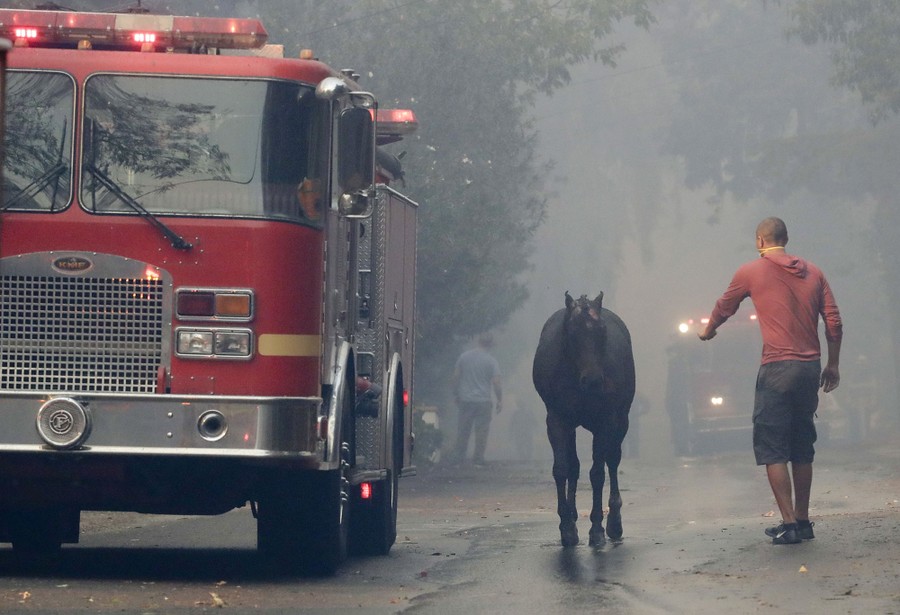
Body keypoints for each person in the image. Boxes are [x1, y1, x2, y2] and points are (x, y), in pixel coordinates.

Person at [698, 217, 842, 545]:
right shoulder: (815, 272)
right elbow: (833, 322)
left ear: (760, 241)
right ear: (786, 238)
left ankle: (788, 524)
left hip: (777, 368)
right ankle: (803, 521)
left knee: (773, 446)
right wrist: (833, 364)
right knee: (802, 445)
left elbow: (725, 306)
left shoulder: (751, 271)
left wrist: (708, 330)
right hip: (809, 368)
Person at [450, 332, 502, 466]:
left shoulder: (464, 357)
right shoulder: (492, 361)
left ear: (478, 342)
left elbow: (456, 377)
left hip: (466, 400)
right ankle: (478, 458)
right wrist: (499, 399)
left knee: (463, 430)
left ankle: (459, 458)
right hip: (483, 401)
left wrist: (456, 394)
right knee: (481, 431)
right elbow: (496, 382)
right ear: (490, 345)